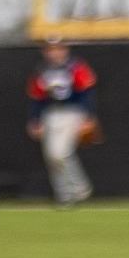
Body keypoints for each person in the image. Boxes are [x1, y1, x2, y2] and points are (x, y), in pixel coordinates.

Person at [27, 37, 98, 207]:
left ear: (65, 50)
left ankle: (80, 187)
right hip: (51, 113)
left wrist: (88, 116)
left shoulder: (76, 67)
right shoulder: (41, 70)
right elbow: (37, 97)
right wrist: (35, 119)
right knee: (52, 156)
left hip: (72, 111)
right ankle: (64, 195)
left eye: (58, 49)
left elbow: (86, 92)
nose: (55, 53)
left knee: (62, 153)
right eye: (51, 49)